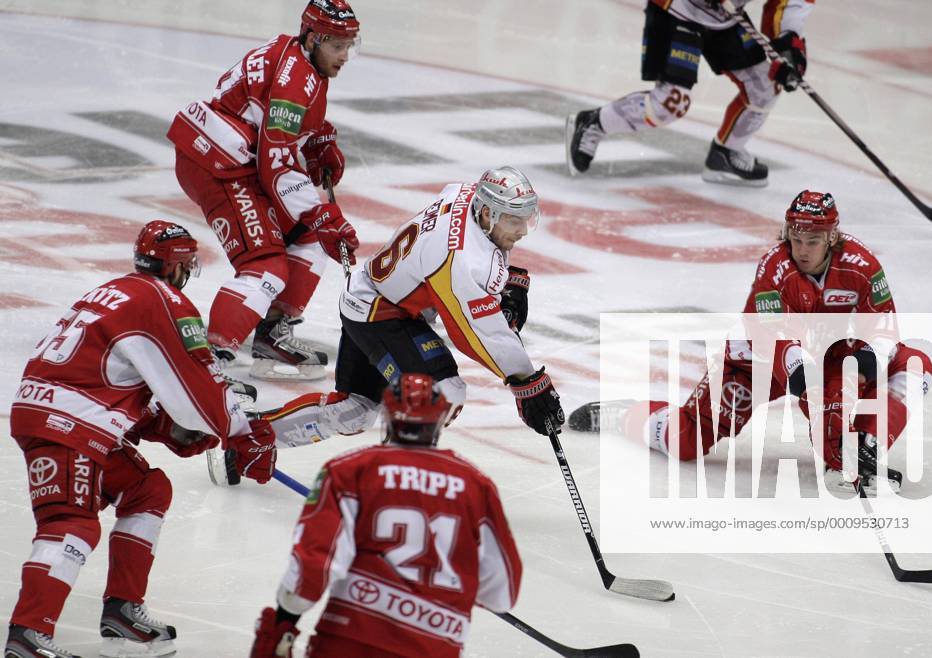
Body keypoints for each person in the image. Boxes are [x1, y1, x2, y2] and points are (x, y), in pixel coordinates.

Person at [4, 221, 277, 658]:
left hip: (58, 412)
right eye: (186, 265)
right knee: (69, 524)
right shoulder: (165, 301)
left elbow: (113, 377)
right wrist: (242, 435)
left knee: (146, 489)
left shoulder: (116, 290)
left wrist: (167, 428)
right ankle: (27, 638)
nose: (187, 274)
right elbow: (198, 382)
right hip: (68, 423)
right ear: (175, 266)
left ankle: (122, 609)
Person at [568, 191, 932, 490]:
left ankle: (866, 447)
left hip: (827, 360)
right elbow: (767, 333)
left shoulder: (861, 265)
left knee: (914, 364)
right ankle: (623, 414)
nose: (802, 250)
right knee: (685, 439)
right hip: (756, 364)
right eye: (796, 239)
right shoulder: (774, 268)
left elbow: (883, 323)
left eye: (813, 241)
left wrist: (873, 354)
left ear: (832, 237)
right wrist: (797, 366)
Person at [253, 166, 565, 447]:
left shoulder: (465, 193)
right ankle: (395, 472)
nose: (523, 231)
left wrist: (501, 284)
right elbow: (477, 333)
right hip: (379, 313)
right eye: (514, 221)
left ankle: (251, 436)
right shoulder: (460, 259)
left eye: (526, 219)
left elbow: (461, 255)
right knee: (443, 392)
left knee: (355, 412)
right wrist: (526, 383)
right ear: (486, 213)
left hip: (369, 296)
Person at [249, 373, 522, 658]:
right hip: (435, 647)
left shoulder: (349, 470)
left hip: (349, 640)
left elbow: (313, 565)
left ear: (388, 415)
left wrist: (284, 622)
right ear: (440, 419)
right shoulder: (476, 485)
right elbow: (503, 593)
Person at [167, 0, 361, 381]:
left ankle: (272, 334)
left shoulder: (301, 58)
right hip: (218, 167)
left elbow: (268, 118)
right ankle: (211, 364)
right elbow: (275, 164)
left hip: (237, 159)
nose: (346, 56)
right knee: (265, 264)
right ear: (313, 38)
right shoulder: (295, 78)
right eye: (338, 46)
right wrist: (319, 211)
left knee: (308, 239)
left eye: (349, 45)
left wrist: (316, 138)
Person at [566, 0, 814, 186]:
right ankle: (593, 123)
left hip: (725, 16)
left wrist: (786, 43)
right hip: (677, 9)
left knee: (765, 86)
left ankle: (726, 152)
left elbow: (791, 2)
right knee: (670, 104)